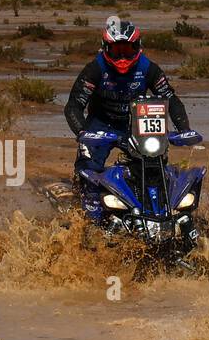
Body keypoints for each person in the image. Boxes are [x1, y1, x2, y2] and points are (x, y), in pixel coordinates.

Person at [63, 17, 191, 220]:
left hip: (136, 125)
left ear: (138, 47)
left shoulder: (148, 68)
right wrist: (83, 132)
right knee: (88, 168)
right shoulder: (95, 69)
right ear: (105, 48)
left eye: (127, 50)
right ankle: (84, 217)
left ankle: (155, 212)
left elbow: (171, 99)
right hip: (100, 124)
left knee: (153, 165)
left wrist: (184, 129)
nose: (122, 56)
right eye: (116, 50)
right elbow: (73, 106)